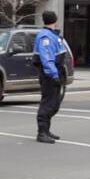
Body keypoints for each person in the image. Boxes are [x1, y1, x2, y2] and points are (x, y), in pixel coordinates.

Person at [34, 11, 67, 144]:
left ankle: (46, 130)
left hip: (55, 72)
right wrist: (53, 74)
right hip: (49, 74)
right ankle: (42, 133)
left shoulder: (53, 35)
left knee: (54, 103)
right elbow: (46, 58)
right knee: (48, 103)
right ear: (55, 20)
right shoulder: (45, 37)